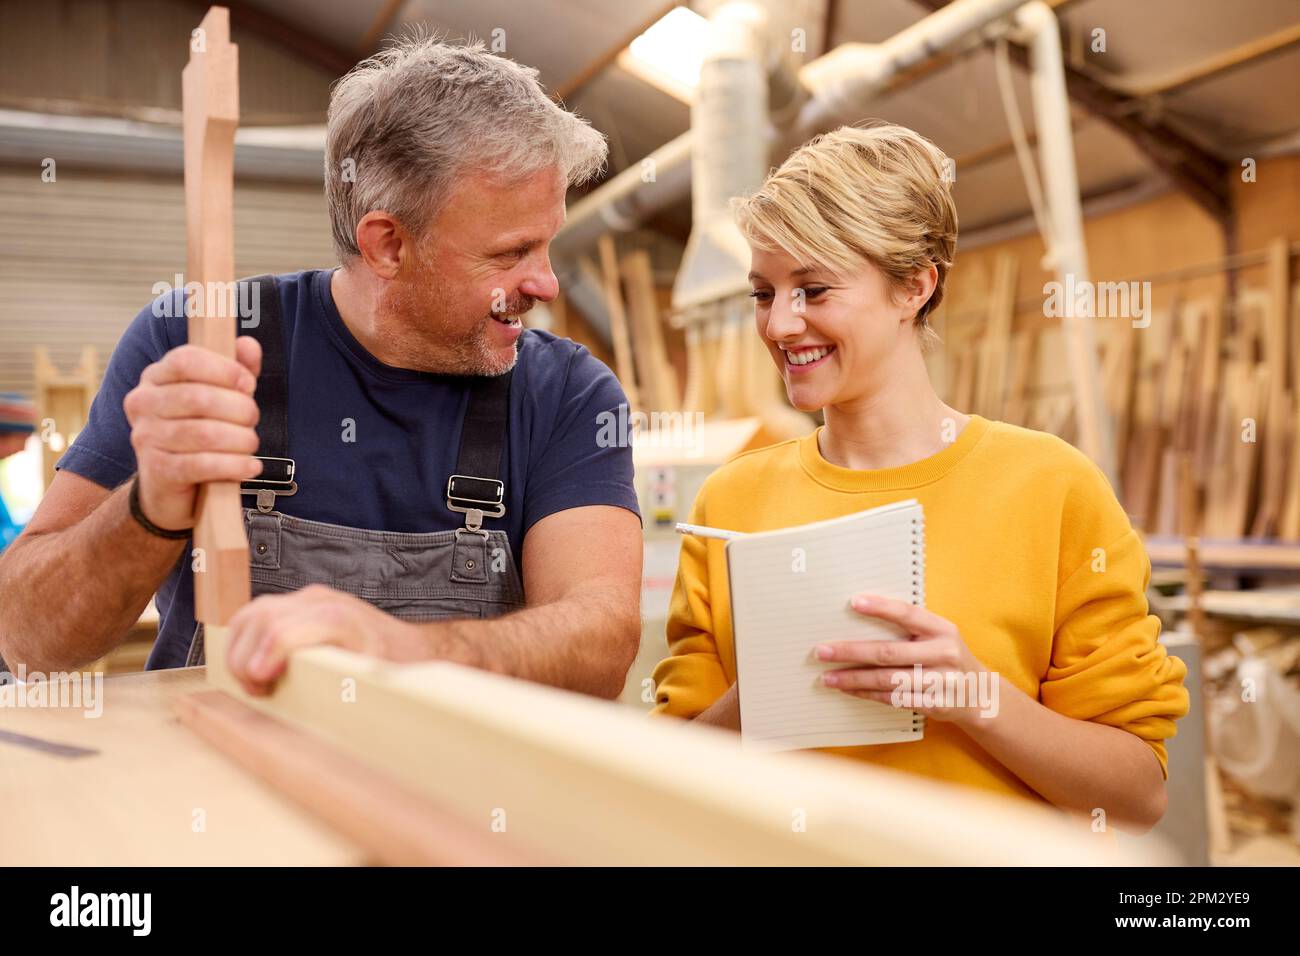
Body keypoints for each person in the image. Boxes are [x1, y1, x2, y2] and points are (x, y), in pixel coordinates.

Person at [0, 37, 642, 700]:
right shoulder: (200, 345)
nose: (546, 285)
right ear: (387, 244)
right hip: (220, 785)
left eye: (548, 243)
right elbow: (25, 639)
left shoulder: (568, 393)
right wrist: (149, 507)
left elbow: (601, 642)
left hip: (460, 794)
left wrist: (403, 651)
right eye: (511, 253)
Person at [651, 122, 1188, 832]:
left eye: (812, 288)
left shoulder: (1052, 488)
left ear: (914, 286)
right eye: (763, 293)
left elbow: (1134, 799)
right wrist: (768, 692)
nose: (781, 324)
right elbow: (666, 776)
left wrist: (975, 697)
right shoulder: (732, 500)